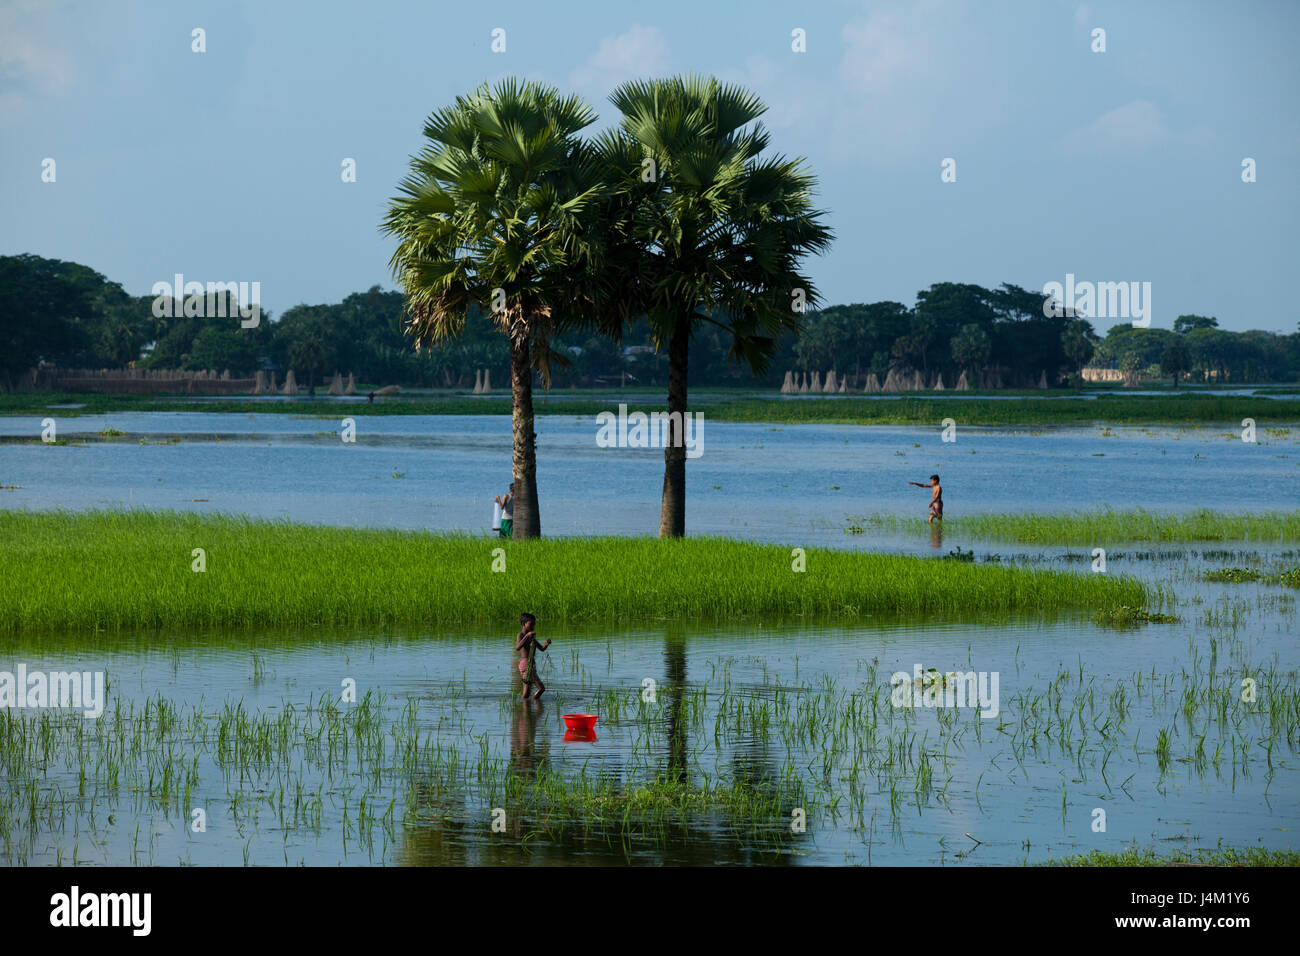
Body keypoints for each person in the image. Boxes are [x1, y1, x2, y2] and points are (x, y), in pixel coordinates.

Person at [514, 612, 551, 700]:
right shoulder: (521, 635)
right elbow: (517, 647)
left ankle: (525, 708)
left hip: (529, 664)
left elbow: (541, 649)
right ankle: (534, 702)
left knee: (526, 693)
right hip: (526, 664)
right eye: (531, 624)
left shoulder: (531, 637)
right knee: (541, 688)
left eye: (534, 624)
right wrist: (527, 636)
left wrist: (546, 644)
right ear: (524, 624)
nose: (533, 627)